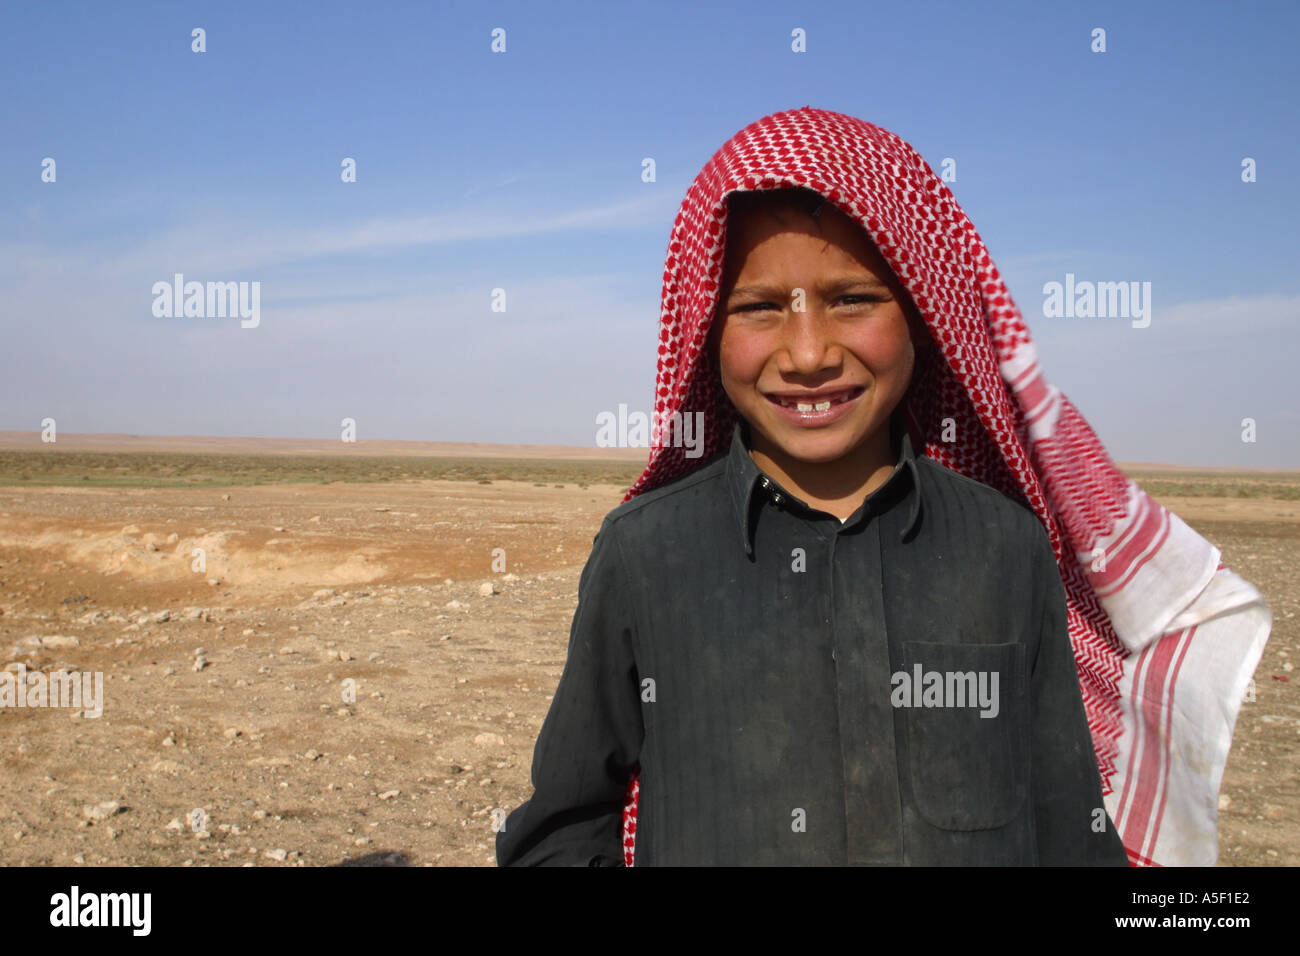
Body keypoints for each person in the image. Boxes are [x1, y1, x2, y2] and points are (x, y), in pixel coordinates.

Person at [496, 106, 1272, 867]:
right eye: (760, 308)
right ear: (708, 327)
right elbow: (562, 829)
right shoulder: (646, 553)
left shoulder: (1004, 547)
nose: (806, 355)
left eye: (852, 300)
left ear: (923, 311)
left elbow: (1066, 826)